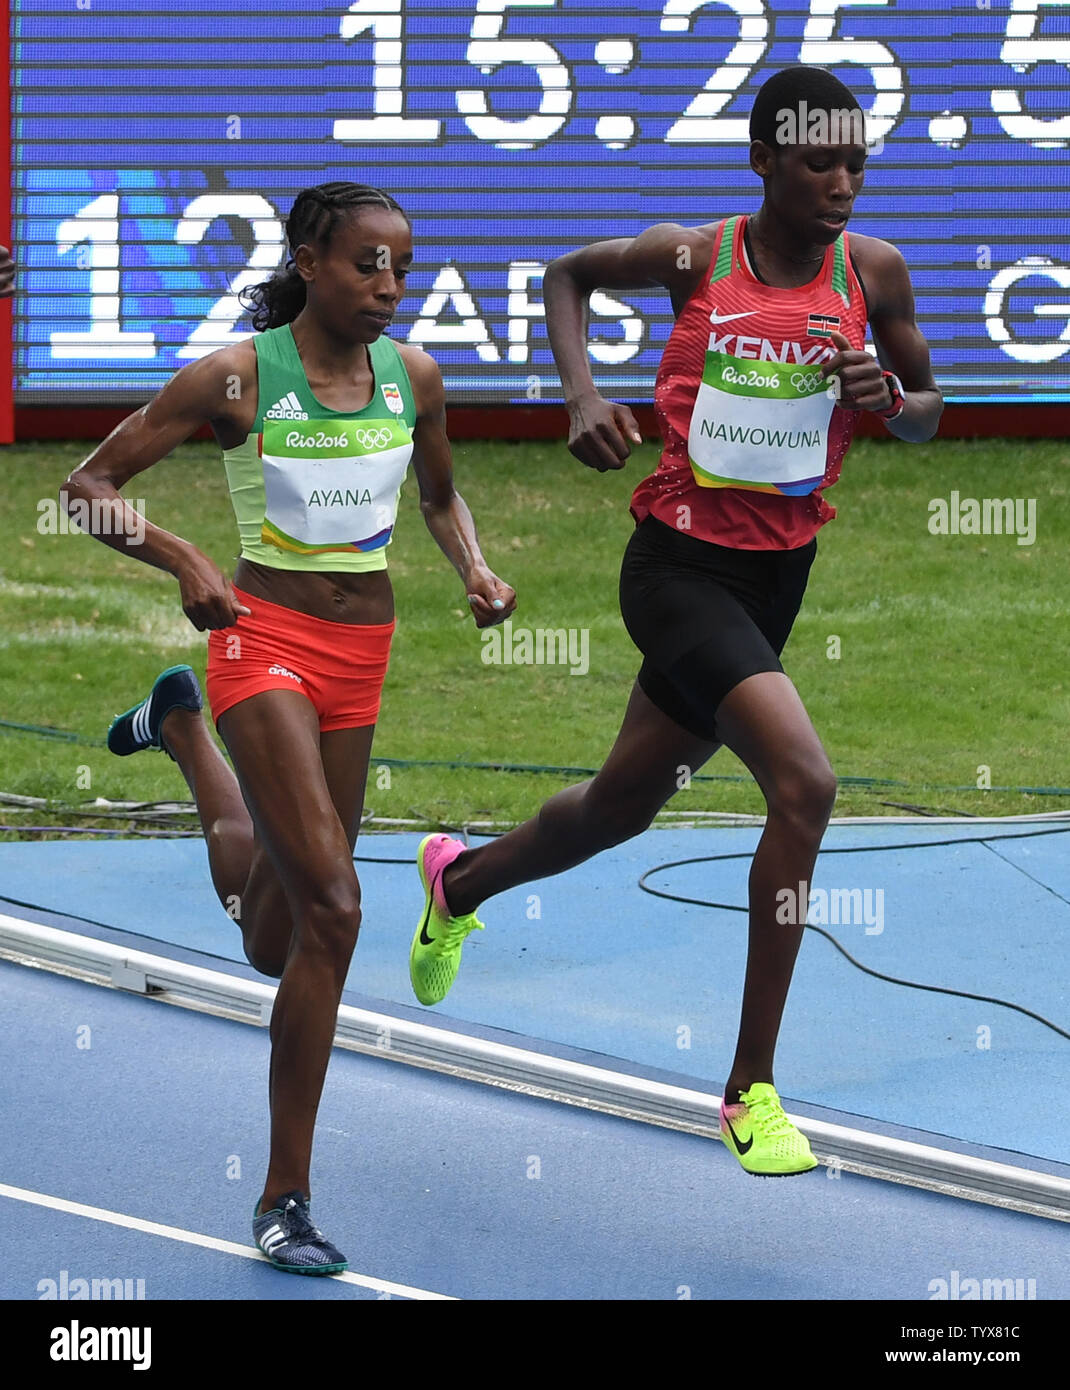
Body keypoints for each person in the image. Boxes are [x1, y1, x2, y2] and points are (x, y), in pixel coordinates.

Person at [408, 67, 942, 1177]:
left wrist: (885, 402)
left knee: (618, 807)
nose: (840, 183)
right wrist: (583, 397)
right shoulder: (693, 257)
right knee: (803, 783)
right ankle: (749, 1090)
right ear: (761, 163)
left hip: (775, 579)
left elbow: (930, 414)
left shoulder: (874, 273)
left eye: (855, 163)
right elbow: (564, 276)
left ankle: (457, 880)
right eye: (816, 162)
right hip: (674, 569)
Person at [59, 182, 516, 1273]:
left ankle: (177, 730)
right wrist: (185, 560)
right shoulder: (235, 378)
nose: (387, 287)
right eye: (365, 264)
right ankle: (283, 1198)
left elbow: (439, 498)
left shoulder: (414, 378)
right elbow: (89, 484)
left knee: (275, 935)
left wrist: (475, 569)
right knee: (337, 906)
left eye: (399, 268)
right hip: (260, 642)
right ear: (309, 260)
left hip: (364, 655)